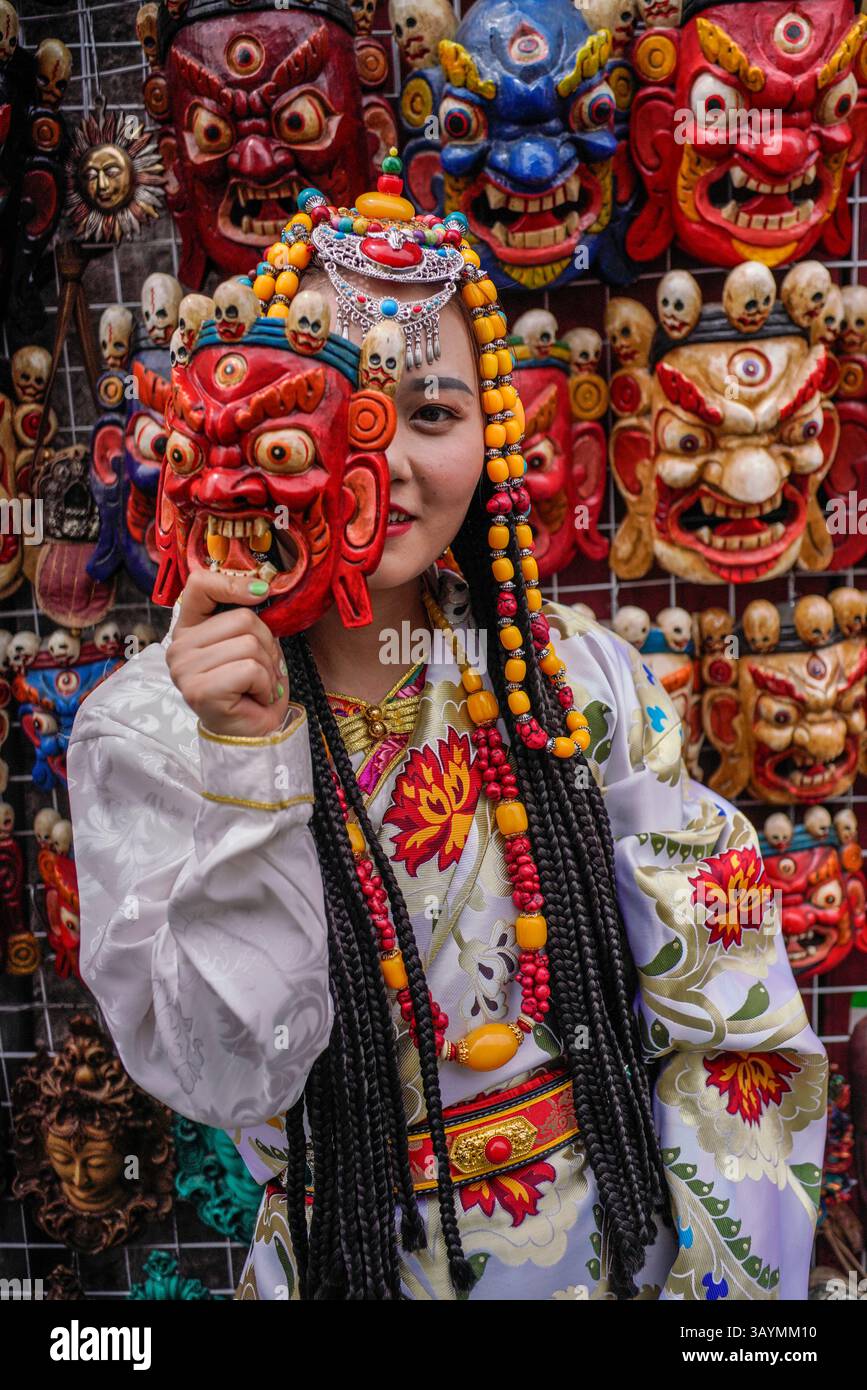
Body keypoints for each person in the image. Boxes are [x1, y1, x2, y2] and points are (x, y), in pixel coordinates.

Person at [67, 161, 828, 1302]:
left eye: (434, 414)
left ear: (496, 434)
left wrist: (725, 1306)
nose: (392, 469)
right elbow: (225, 1075)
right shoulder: (148, 728)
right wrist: (243, 760)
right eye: (338, 411)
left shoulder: (575, 680)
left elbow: (738, 1006)